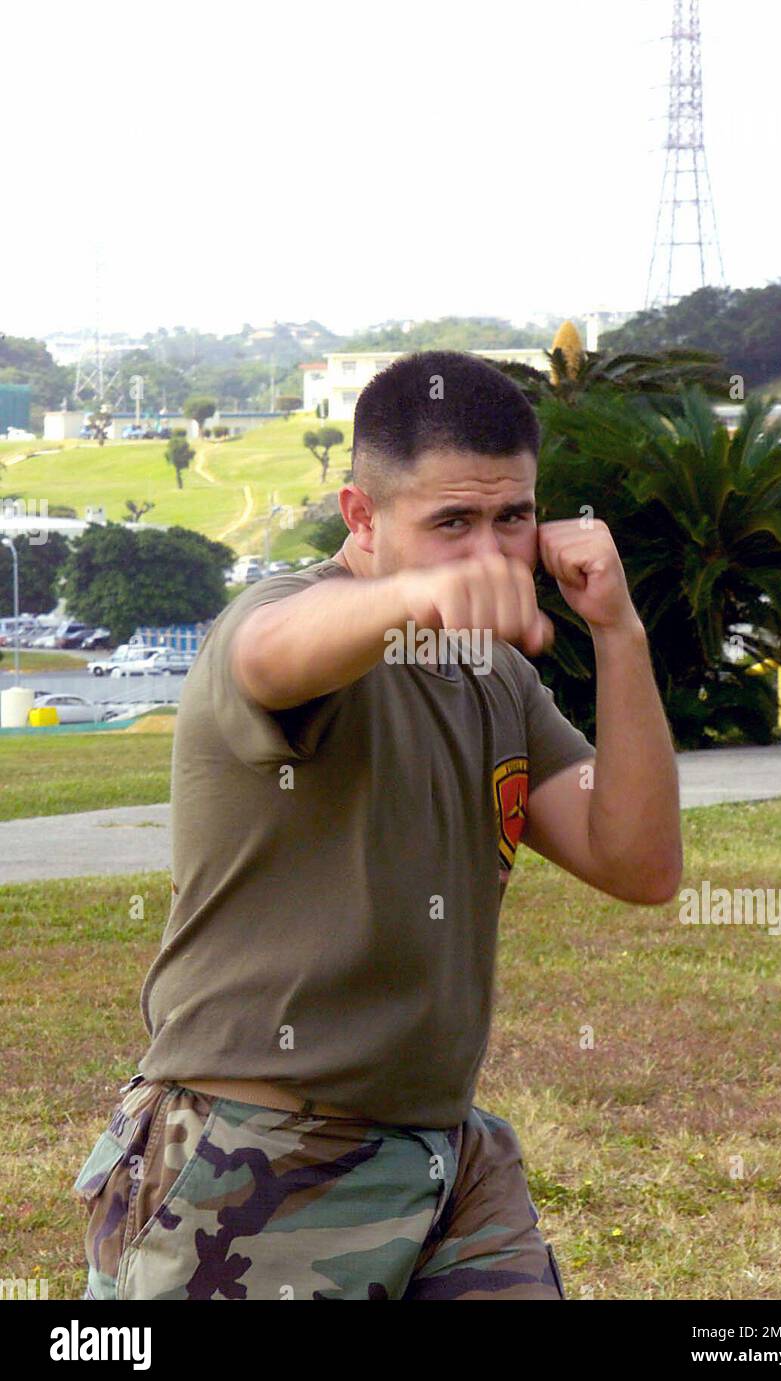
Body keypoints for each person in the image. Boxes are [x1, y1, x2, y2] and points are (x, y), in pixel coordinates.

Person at [72, 350, 682, 1300]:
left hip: (450, 1159)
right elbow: (272, 658)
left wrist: (618, 632)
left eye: (511, 517)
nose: (489, 552)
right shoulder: (283, 619)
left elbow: (636, 860)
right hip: (256, 1155)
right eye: (451, 523)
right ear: (361, 515)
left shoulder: (497, 676)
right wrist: (415, 598)